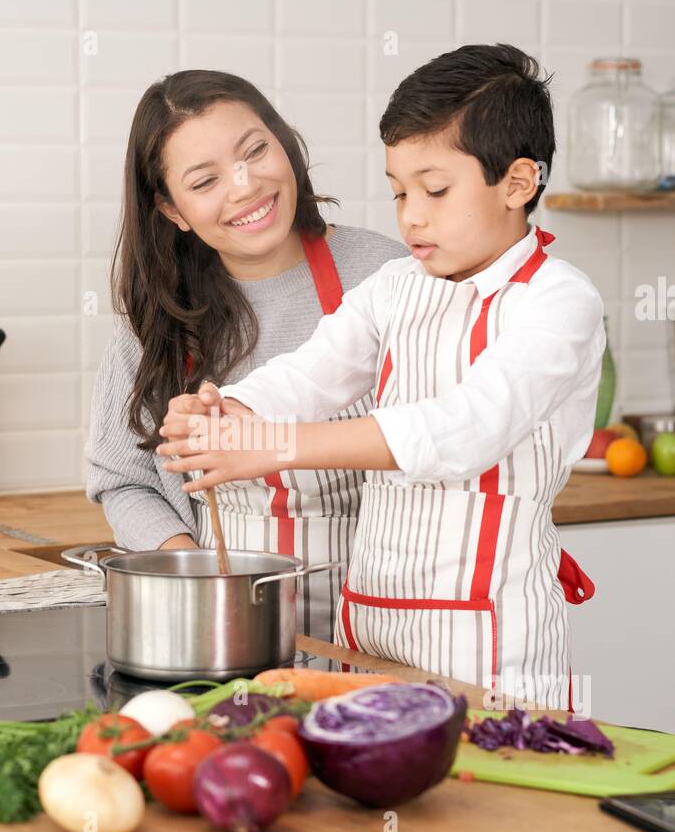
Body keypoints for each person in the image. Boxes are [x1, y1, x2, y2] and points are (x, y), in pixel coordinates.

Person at [158, 45, 605, 710]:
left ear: (517, 183)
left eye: (435, 190)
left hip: (489, 642)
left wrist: (277, 446)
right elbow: (314, 372)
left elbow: (464, 430)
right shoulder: (397, 285)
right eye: (399, 191)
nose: (412, 216)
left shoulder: (557, 302)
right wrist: (228, 409)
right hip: (370, 625)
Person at [85, 69, 407, 642]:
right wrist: (197, 575)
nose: (244, 187)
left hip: (384, 621)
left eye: (255, 151)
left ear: (285, 143)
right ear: (172, 209)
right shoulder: (157, 317)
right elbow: (122, 480)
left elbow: (434, 442)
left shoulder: (385, 274)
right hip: (225, 629)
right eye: (204, 181)